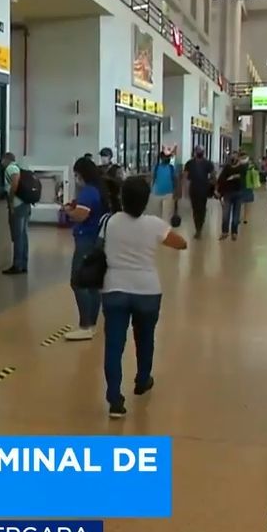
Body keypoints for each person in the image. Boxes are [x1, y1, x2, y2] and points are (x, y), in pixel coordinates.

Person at [101, 176, 188, 418]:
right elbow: (181, 244)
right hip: (147, 291)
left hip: (114, 288)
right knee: (145, 338)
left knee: (114, 345)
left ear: (121, 197)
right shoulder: (154, 225)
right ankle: (142, 379)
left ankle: (115, 399)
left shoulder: (111, 221)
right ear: (146, 200)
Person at [63, 156, 110, 341]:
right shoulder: (100, 189)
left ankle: (85, 325)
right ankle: (92, 324)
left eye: (76, 175)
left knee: (79, 281)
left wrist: (69, 212)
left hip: (86, 240)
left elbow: (81, 215)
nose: (76, 179)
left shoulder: (88, 191)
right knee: (93, 283)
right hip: (97, 240)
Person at [1, 152, 30, 275]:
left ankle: (17, 265)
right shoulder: (18, 166)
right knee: (23, 235)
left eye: (1, 160)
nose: (1, 163)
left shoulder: (10, 168)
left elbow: (15, 183)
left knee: (18, 236)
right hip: (25, 204)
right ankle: (23, 263)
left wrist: (11, 201)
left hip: (18, 206)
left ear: (6, 160)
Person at [182, 147, 215, 239]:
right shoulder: (189, 163)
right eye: (198, 151)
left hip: (204, 189)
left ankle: (200, 226)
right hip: (194, 189)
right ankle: (198, 228)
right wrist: (185, 190)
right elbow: (185, 177)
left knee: (202, 209)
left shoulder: (208, 163)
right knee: (196, 210)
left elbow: (213, 176)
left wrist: (214, 187)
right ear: (195, 152)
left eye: (201, 151)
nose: (199, 152)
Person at [216, 152, 247, 241]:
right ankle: (224, 232)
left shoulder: (242, 168)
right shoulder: (227, 168)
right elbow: (221, 180)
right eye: (232, 157)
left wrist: (234, 176)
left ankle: (234, 232)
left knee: (236, 215)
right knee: (226, 214)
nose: (233, 158)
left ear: (238, 158)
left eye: (235, 157)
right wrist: (219, 192)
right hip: (228, 193)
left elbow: (243, 177)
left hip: (238, 193)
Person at [149, 147, 180, 223]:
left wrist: (176, 192)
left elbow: (175, 180)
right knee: (157, 216)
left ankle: (165, 233)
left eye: (168, 157)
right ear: (161, 158)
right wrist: (150, 191)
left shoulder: (172, 168)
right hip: (156, 194)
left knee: (167, 217)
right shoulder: (156, 168)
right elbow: (152, 179)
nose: (167, 158)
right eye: (165, 157)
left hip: (169, 194)